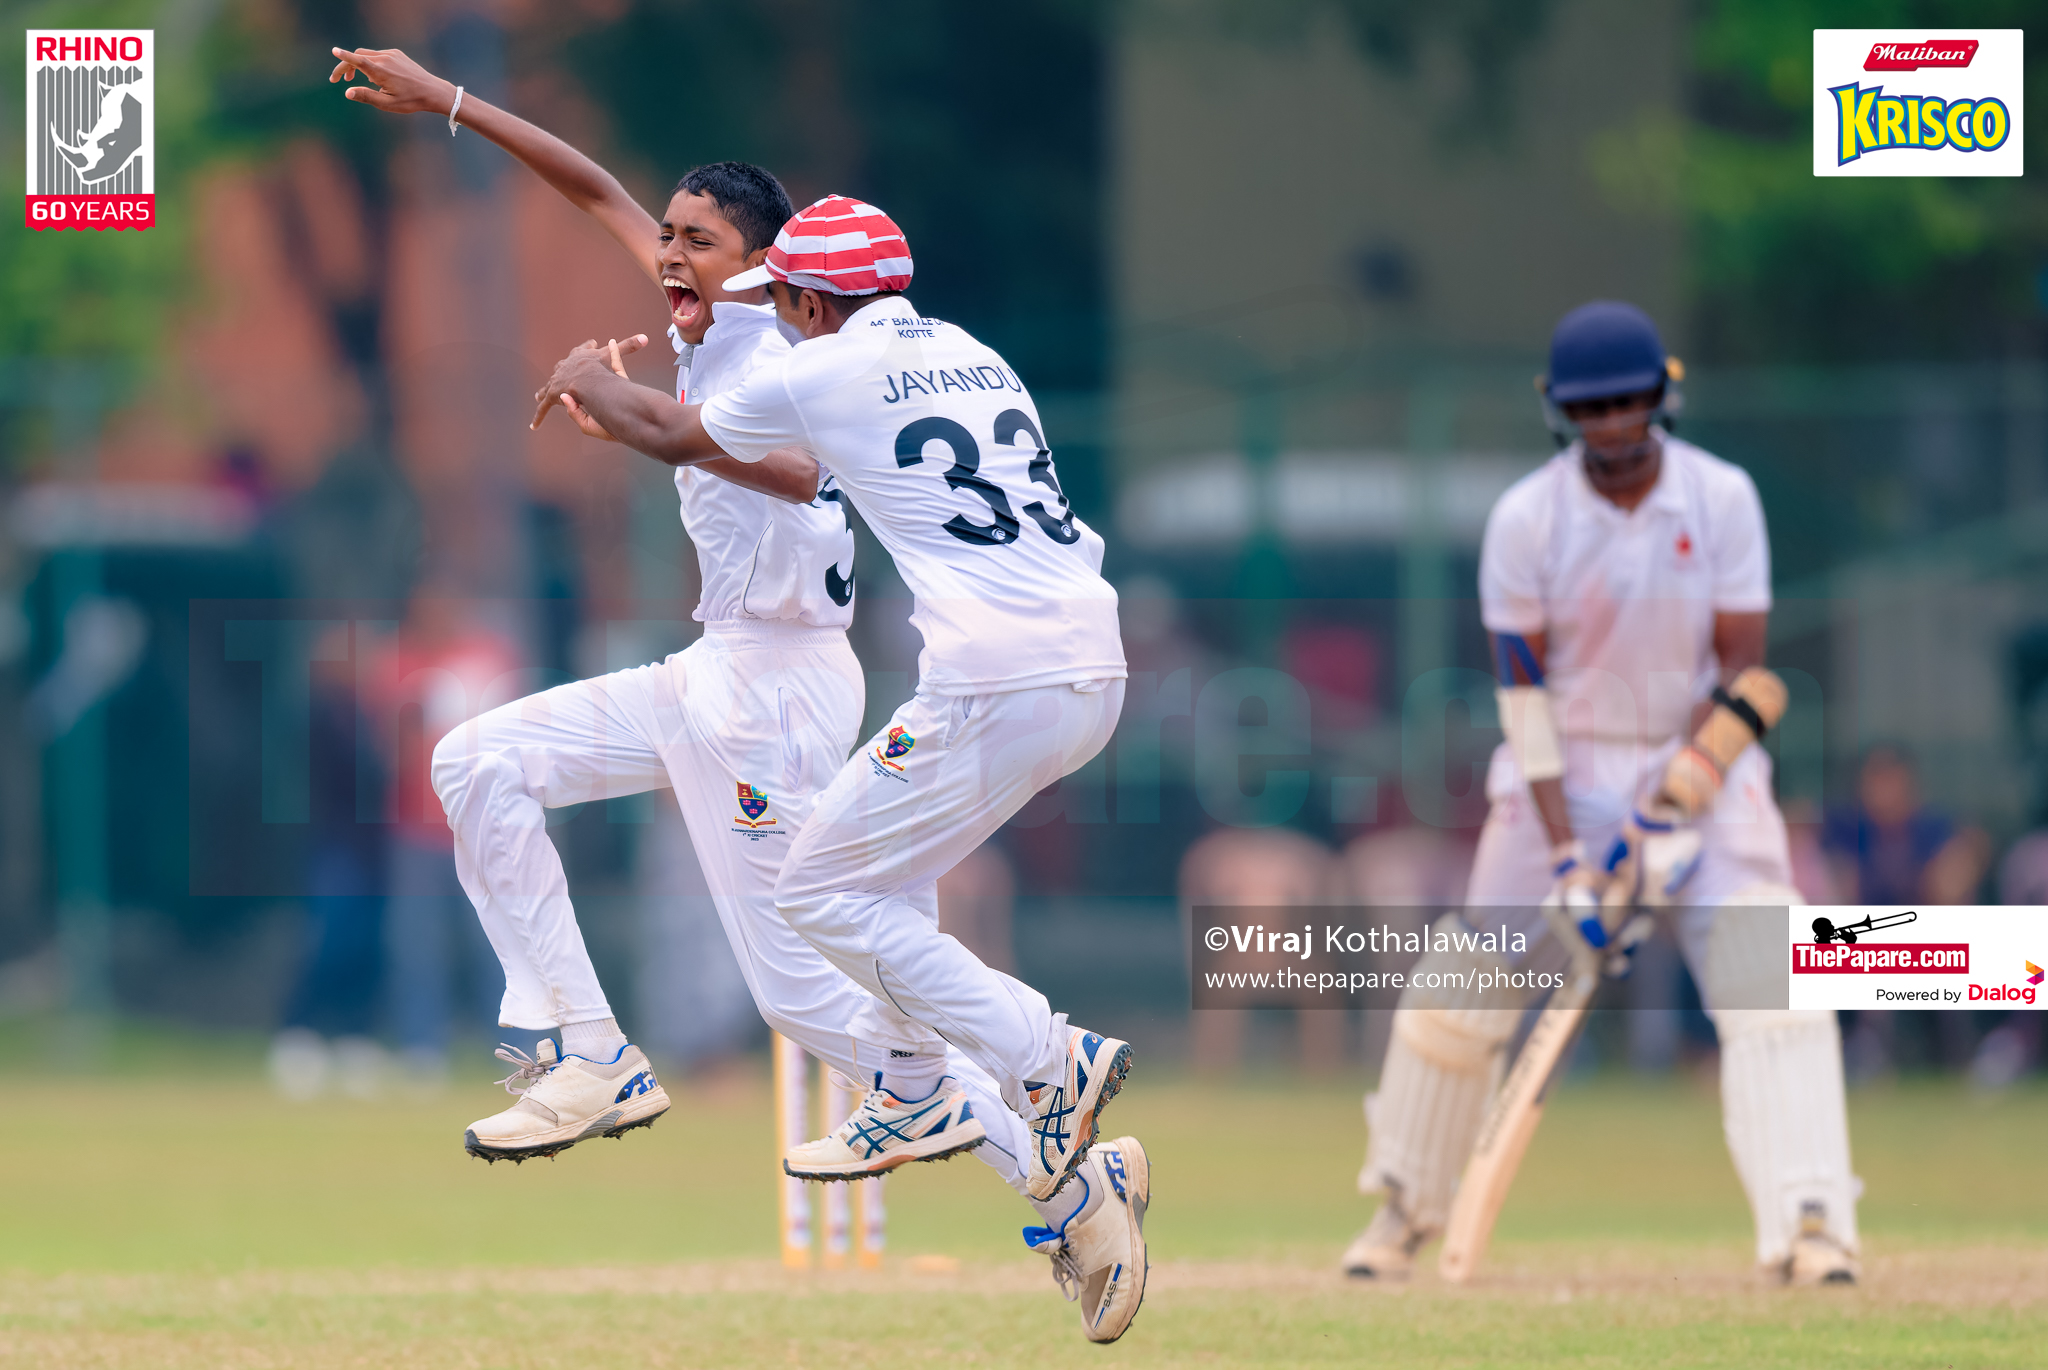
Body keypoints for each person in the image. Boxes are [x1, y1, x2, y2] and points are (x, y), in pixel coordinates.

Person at [332, 51, 1145, 1343]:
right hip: (709, 664)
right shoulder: (719, 315)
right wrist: (450, 102)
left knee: (813, 1004)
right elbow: (595, 188)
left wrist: (614, 402)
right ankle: (590, 1053)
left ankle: (1062, 1180)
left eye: (698, 242)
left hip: (784, 689)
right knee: (476, 762)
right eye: (667, 236)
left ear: (769, 272)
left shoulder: (793, 347)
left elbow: (799, 480)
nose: (666, 254)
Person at [531, 194, 1148, 1341]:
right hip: (1089, 670)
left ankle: (1045, 1053)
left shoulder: (823, 371)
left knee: (814, 889)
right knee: (863, 889)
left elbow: (671, 433)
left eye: (784, 305)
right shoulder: (971, 352)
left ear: (812, 301)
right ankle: (915, 1095)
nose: (780, 320)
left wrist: (582, 371)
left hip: (992, 685)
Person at [1342, 301, 1862, 1287]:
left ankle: (1810, 1222)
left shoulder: (1721, 499)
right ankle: (1402, 1207)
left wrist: (1672, 805)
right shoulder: (1524, 518)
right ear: (1559, 410)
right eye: (1593, 408)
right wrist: (1574, 853)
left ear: (1660, 395)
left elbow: (1746, 674)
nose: (1614, 425)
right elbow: (1521, 697)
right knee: (1460, 994)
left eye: (1628, 403)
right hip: (1562, 775)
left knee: (1775, 984)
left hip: (1703, 767)